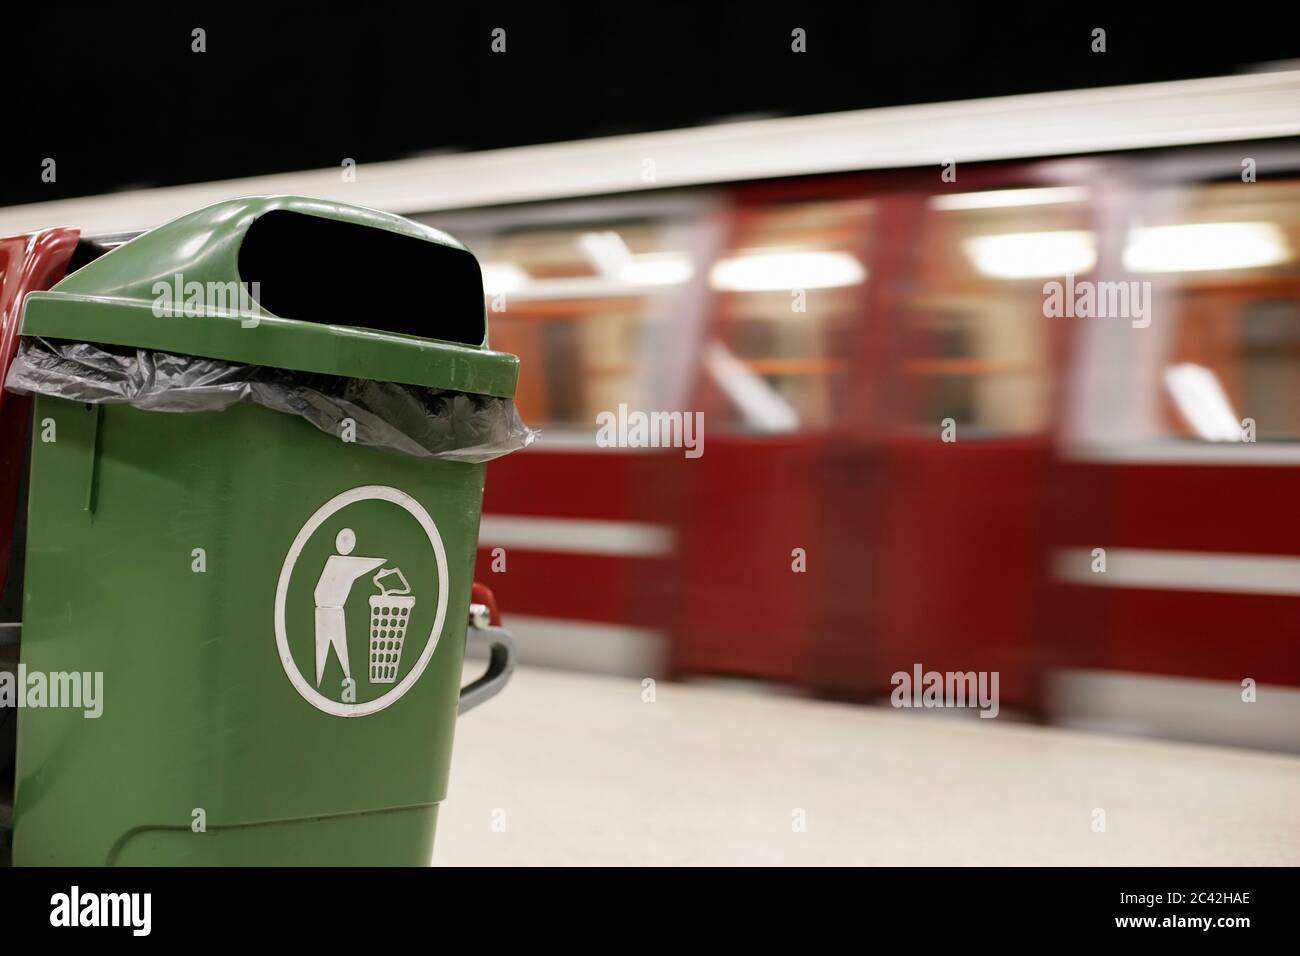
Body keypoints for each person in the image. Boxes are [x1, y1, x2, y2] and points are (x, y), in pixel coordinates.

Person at [313, 528, 385, 687]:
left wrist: (379, 562)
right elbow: (361, 565)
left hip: (332, 610)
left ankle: (342, 678)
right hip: (326, 610)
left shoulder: (336, 562)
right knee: (328, 653)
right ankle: (332, 679)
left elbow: (360, 566)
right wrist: (380, 562)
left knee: (339, 653)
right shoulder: (337, 562)